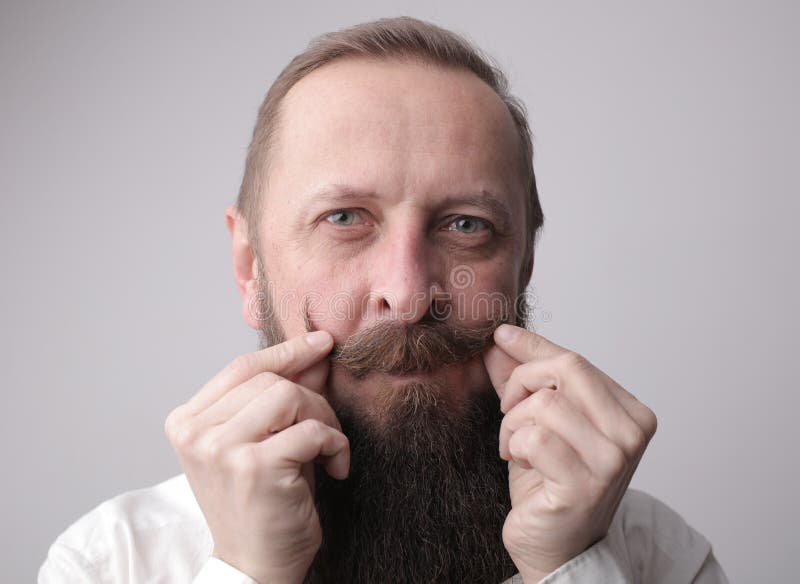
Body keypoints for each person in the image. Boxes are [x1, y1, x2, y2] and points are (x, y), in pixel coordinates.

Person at [39, 16, 729, 584]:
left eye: (466, 225)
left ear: (524, 265)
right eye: (344, 219)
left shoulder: (656, 559)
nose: (407, 294)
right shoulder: (111, 562)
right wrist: (249, 572)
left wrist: (570, 569)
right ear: (250, 268)